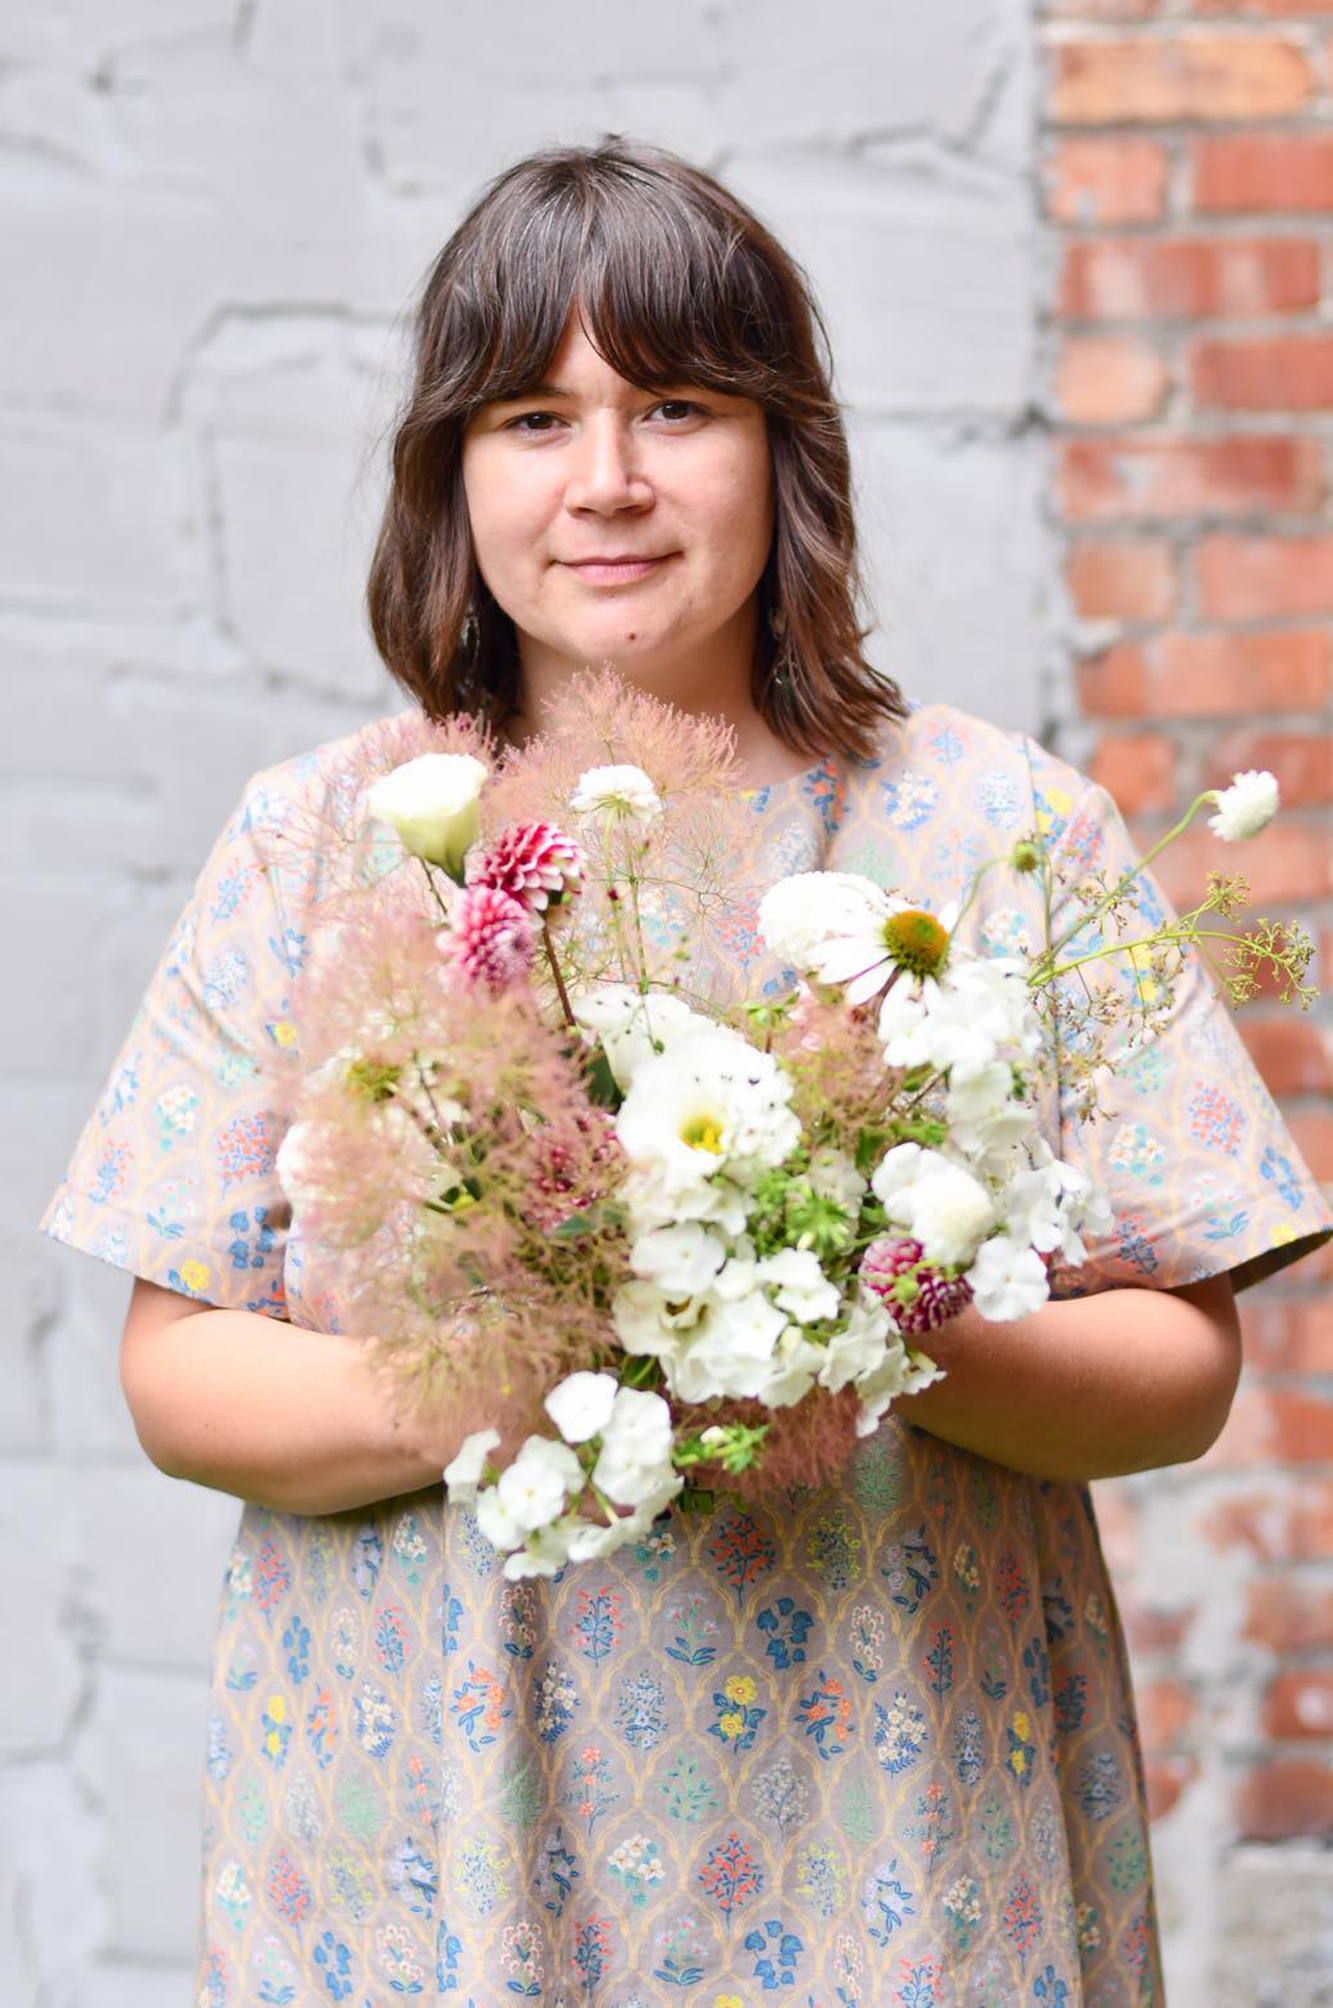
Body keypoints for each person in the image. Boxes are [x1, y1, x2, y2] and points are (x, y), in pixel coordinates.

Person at [42, 139, 1331, 2008]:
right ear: (451, 476)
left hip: (899, 1823)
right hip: (431, 1831)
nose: (608, 482)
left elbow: (1175, 1369)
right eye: (531, 420)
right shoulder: (321, 846)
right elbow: (181, 1371)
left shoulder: (995, 832)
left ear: (781, 451)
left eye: (675, 405)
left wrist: (861, 1326)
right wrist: (539, 1362)